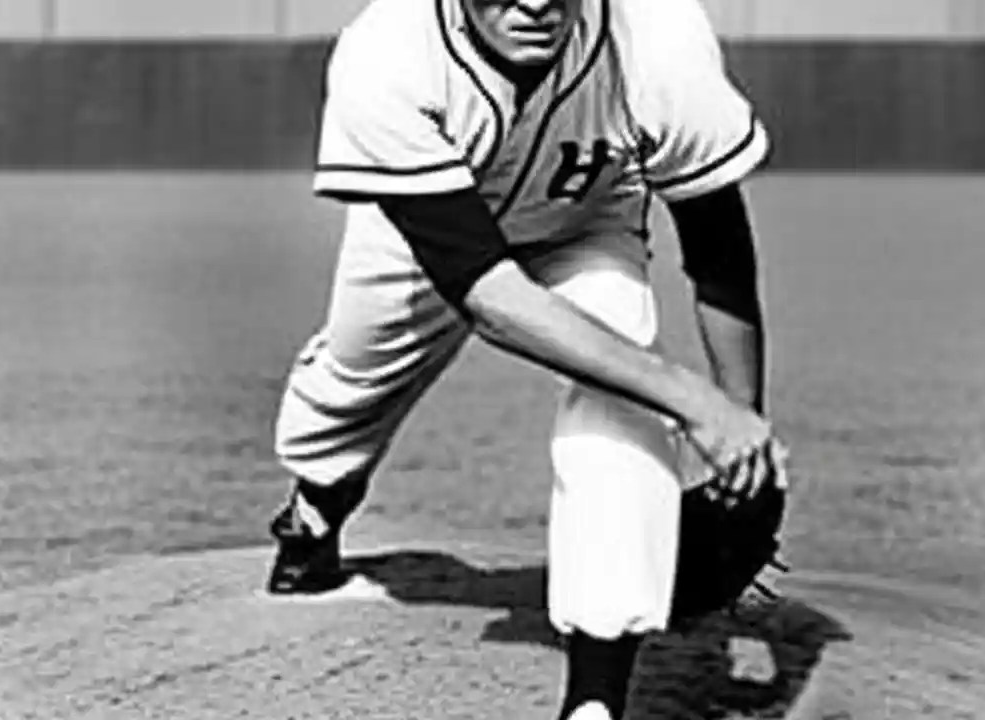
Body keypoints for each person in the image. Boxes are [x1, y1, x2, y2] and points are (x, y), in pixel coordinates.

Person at [268, 0, 785, 718]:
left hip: (587, 226)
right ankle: (315, 512)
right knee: (349, 387)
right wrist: (698, 401)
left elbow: (717, 249)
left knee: (625, 389)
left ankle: (594, 700)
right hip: (426, 235)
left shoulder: (659, 37)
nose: (535, 0)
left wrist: (742, 432)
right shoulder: (387, 51)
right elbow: (487, 294)